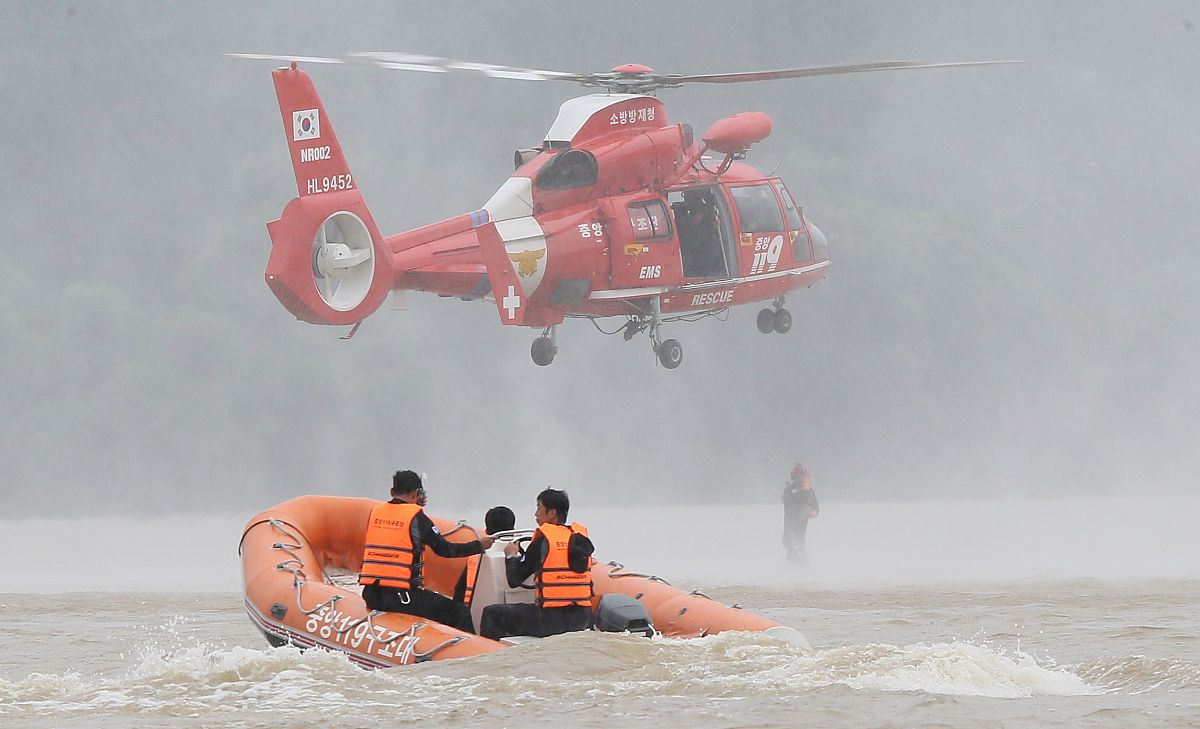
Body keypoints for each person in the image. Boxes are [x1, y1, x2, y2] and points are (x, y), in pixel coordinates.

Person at [358, 470, 495, 633]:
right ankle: (472, 653)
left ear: (392, 492)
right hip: (401, 598)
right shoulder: (416, 518)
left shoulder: (375, 513)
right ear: (416, 493)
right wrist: (479, 546)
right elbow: (446, 549)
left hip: (372, 595)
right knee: (459, 612)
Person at [478, 488, 595, 640]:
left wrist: (511, 556)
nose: (535, 514)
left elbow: (514, 580)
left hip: (551, 621)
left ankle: (488, 656)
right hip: (581, 619)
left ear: (552, 513)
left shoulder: (543, 541)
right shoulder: (579, 539)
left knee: (491, 613)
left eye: (539, 508)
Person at [453, 505, 516, 604]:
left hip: (477, 611)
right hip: (518, 613)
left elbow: (459, 591)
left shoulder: (476, 557)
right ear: (513, 532)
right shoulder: (526, 551)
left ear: (486, 531)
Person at [782, 464, 819, 564]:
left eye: (806, 476)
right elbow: (791, 505)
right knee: (796, 556)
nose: (806, 478)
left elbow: (815, 509)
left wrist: (810, 513)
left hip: (800, 533)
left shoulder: (809, 491)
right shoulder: (790, 491)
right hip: (790, 533)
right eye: (803, 476)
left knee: (801, 558)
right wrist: (802, 511)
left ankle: (800, 574)